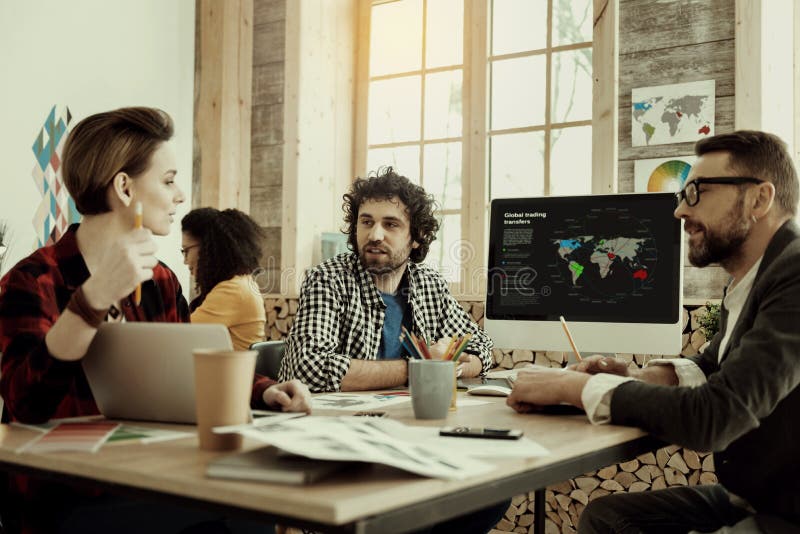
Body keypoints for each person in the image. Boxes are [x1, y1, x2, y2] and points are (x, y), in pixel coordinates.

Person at [0, 107, 307, 533]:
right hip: (67, 496)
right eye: (168, 180)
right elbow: (26, 405)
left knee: (255, 512)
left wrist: (264, 390)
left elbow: (186, 368)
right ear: (124, 188)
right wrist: (94, 297)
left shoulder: (161, 279)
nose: (181, 195)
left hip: (152, 476)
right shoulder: (32, 280)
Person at [507, 131, 800, 533]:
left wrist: (570, 389)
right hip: (756, 495)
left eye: (695, 192)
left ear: (759, 199)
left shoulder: (796, 273)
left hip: (787, 511)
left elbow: (717, 415)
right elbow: (712, 366)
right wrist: (629, 376)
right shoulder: (752, 276)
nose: (679, 211)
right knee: (608, 517)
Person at [280, 167, 494, 392]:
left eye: (391, 224)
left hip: (405, 416)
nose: (374, 235)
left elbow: (483, 347)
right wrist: (421, 368)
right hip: (331, 421)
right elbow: (306, 369)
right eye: (367, 222)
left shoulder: (430, 285)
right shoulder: (327, 279)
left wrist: (451, 366)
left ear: (417, 237)